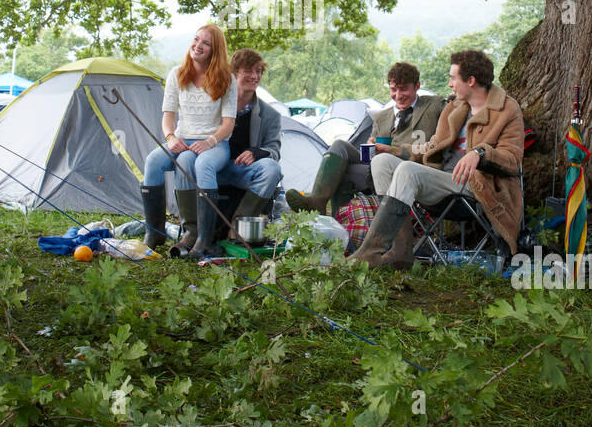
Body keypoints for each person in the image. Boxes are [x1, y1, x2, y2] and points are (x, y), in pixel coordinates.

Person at [349, 50, 525, 270]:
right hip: (442, 180)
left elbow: (512, 159)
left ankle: (369, 253)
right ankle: (400, 252)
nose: (450, 84)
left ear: (470, 81)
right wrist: (392, 150)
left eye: (453, 78)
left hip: (479, 186)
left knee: (408, 171)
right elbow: (429, 147)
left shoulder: (507, 109)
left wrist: (480, 154)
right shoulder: (454, 108)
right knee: (381, 162)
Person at [286, 61, 444, 214]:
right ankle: (319, 202)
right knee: (339, 145)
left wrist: (391, 150)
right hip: (377, 169)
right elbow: (371, 152)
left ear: (417, 86)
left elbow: (456, 102)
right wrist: (371, 145)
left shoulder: (432, 105)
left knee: (343, 172)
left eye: (403, 89)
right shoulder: (382, 117)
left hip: (410, 169)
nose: (398, 95)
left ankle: (337, 220)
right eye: (394, 89)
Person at [140, 24, 237, 260]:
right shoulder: (177, 74)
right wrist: (171, 137)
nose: (198, 46)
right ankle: (155, 232)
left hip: (215, 143)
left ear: (215, 50)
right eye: (196, 40)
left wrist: (210, 141)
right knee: (153, 161)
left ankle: (202, 238)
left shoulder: (227, 79)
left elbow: (228, 124)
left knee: (202, 165)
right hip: (182, 139)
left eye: (205, 43)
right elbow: (168, 116)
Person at [214, 48, 283, 231]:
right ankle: (194, 230)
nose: (255, 76)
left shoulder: (271, 115)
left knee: (272, 168)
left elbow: (274, 150)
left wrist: (258, 152)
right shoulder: (213, 103)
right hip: (211, 168)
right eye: (248, 70)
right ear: (234, 73)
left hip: (242, 171)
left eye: (259, 71)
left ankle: (238, 229)